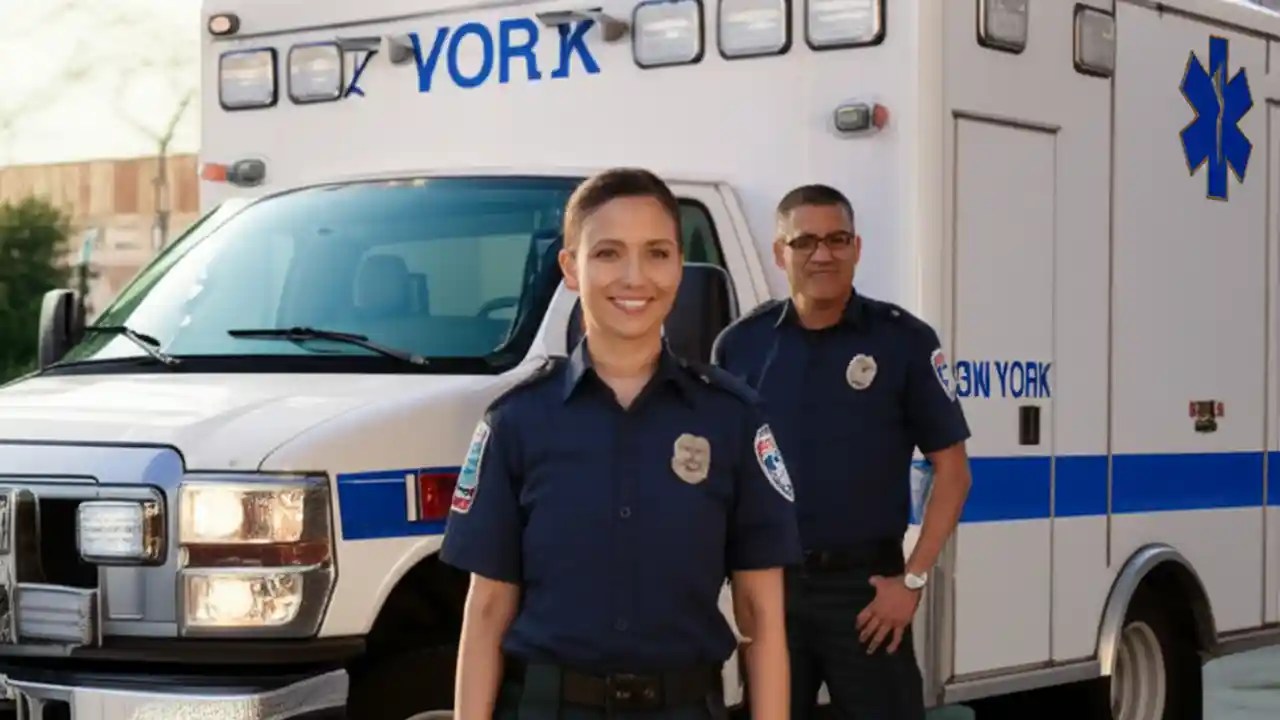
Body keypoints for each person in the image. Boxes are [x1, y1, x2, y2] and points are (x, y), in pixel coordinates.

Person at [440, 167, 804, 720]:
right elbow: (487, 612)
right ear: (570, 268)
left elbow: (761, 616)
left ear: (680, 267)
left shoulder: (732, 419)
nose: (635, 277)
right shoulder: (518, 421)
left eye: (657, 253)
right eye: (608, 253)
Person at [710, 184, 972, 720]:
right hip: (771, 590)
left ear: (857, 247)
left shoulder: (904, 341)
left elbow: (953, 473)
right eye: (805, 241)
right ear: (779, 252)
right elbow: (726, 480)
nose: (822, 254)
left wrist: (913, 580)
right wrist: (732, 581)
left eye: (837, 239)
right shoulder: (741, 346)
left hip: (868, 595)